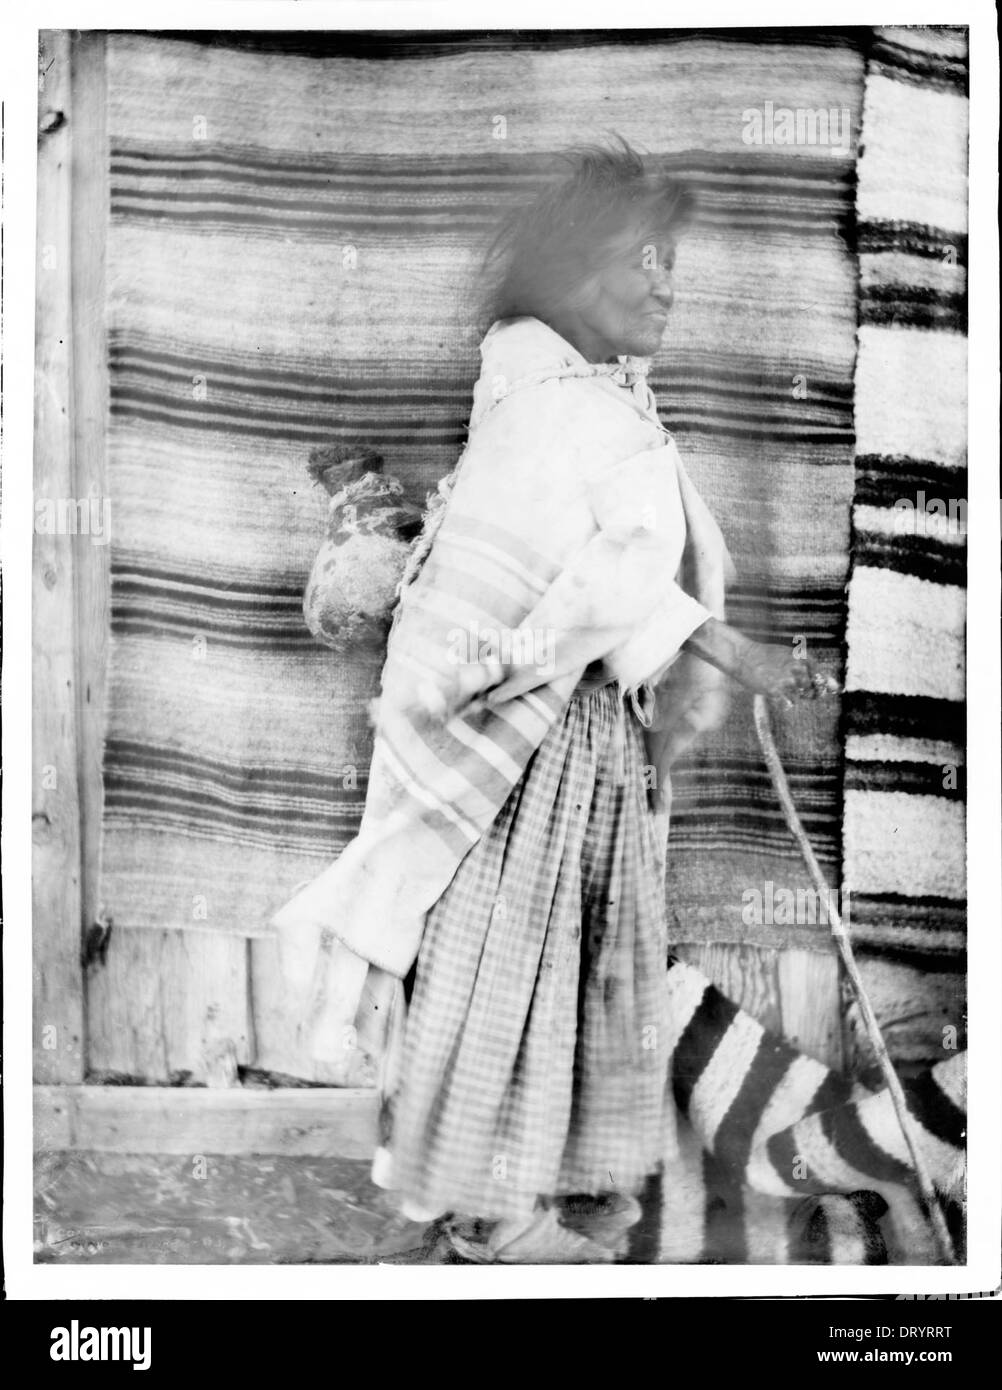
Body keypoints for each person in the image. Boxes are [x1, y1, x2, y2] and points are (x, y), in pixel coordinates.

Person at [273, 139, 832, 1263]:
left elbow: (616, 591)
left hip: (591, 753)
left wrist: (742, 659)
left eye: (675, 259)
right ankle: (487, 1207)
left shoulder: (598, 406)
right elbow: (546, 599)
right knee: (503, 970)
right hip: (525, 761)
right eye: (646, 260)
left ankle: (569, 1191)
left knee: (586, 970)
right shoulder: (543, 414)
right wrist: (737, 653)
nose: (668, 282)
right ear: (581, 275)